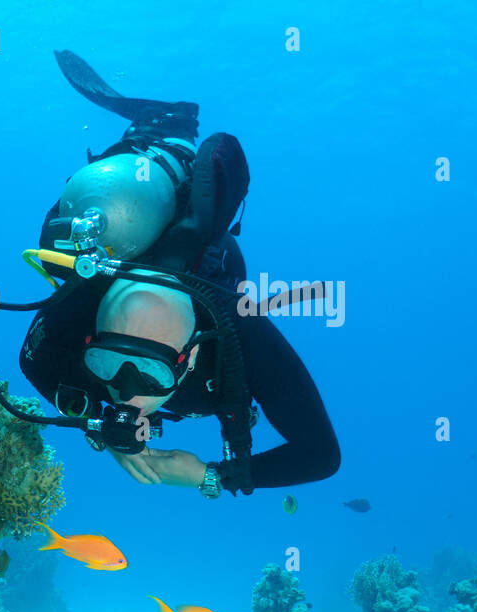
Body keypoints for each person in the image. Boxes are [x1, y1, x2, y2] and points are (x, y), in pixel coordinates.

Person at [18, 51, 340, 498]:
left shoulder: (239, 336)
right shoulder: (75, 313)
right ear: (91, 337)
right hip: (119, 254)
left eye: (151, 375)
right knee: (77, 235)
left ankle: (165, 136)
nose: (126, 397)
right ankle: (152, 143)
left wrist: (211, 475)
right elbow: (32, 361)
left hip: (215, 273)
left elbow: (321, 454)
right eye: (105, 363)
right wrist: (99, 426)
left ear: (189, 358)